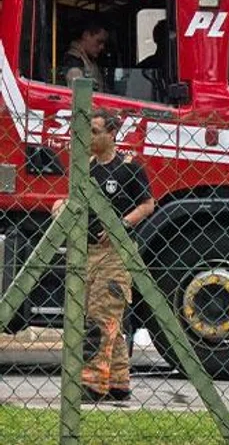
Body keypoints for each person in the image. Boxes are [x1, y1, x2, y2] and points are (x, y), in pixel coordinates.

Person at [53, 108, 156, 402]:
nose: (88, 137)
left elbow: (148, 204)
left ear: (112, 134)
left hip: (116, 254)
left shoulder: (130, 166)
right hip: (88, 253)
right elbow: (72, 199)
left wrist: (121, 224)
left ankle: (93, 384)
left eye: (95, 131)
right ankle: (119, 383)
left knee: (100, 317)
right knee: (108, 318)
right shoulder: (86, 166)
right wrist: (60, 206)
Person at [62, 20, 109, 92]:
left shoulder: (90, 60)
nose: (102, 47)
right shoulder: (73, 61)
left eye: (103, 43)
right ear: (86, 35)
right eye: (99, 41)